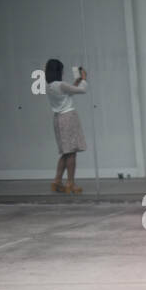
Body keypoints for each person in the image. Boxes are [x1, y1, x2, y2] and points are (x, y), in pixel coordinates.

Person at [44, 59, 87, 193]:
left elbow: (70, 91)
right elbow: (82, 90)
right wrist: (84, 79)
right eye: (61, 69)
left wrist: (77, 81)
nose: (63, 72)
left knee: (65, 152)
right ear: (58, 71)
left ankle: (57, 181)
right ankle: (70, 183)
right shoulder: (61, 84)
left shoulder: (50, 86)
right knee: (72, 153)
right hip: (68, 118)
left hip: (58, 119)